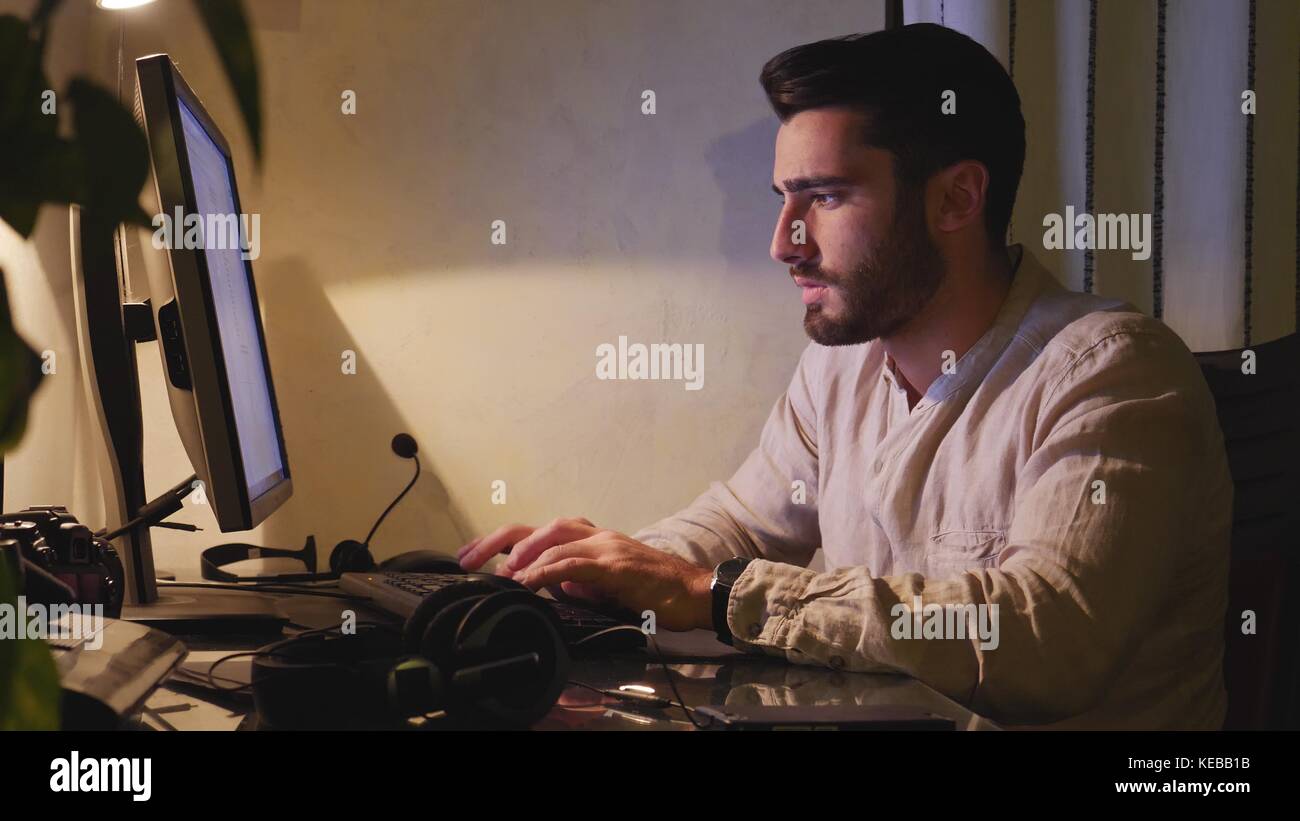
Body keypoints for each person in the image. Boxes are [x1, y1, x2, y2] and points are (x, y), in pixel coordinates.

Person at [458, 24, 1231, 730]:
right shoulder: (840, 367)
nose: (783, 242)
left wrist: (712, 594)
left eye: (824, 196)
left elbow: (1044, 639)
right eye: (784, 198)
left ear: (957, 197)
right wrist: (599, 583)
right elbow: (739, 525)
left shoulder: (1112, 372)